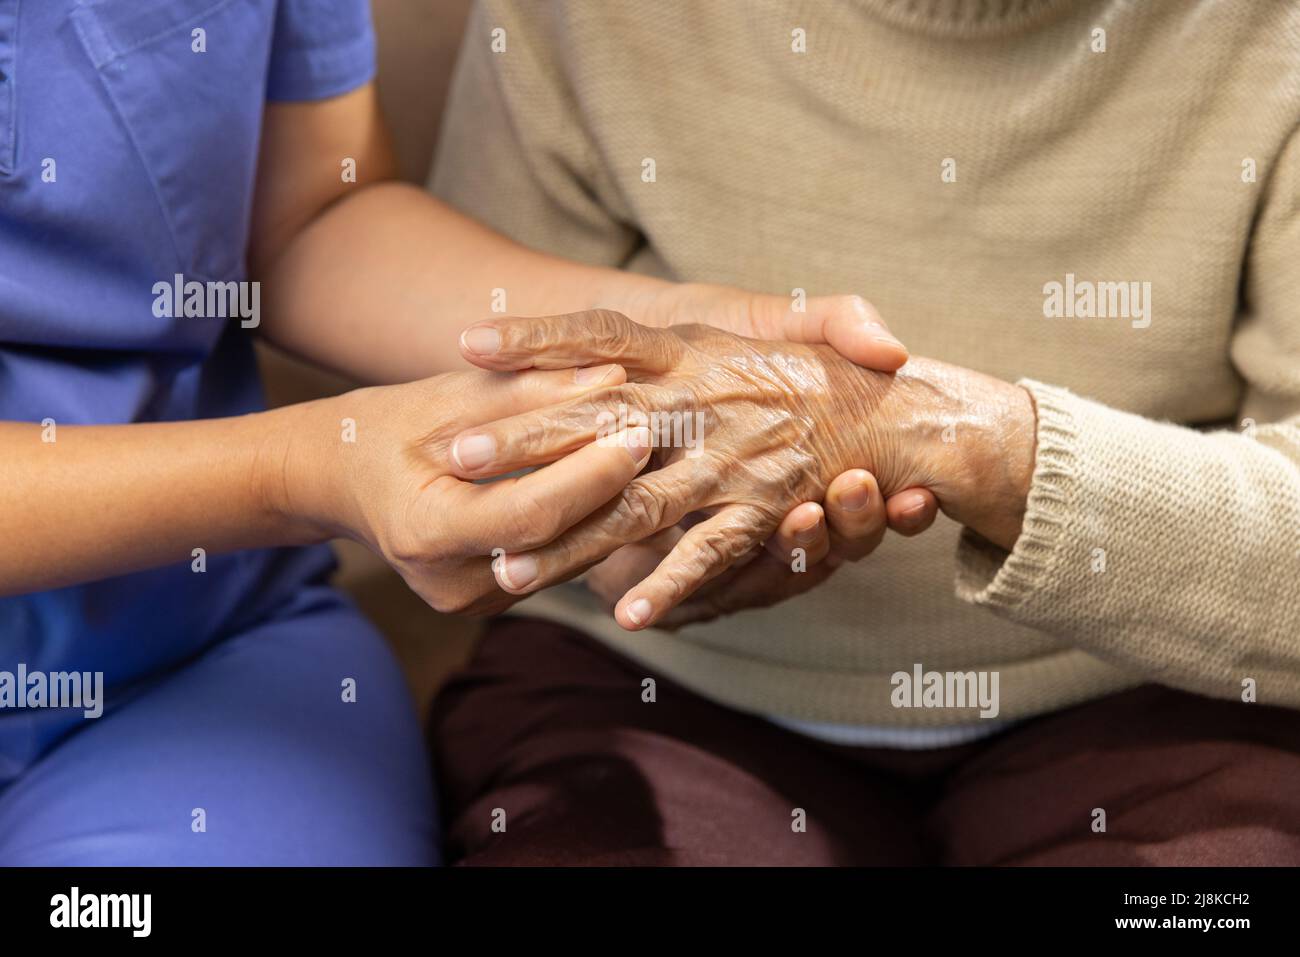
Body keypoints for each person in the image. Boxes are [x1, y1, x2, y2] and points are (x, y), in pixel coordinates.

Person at [0, 0, 930, 864]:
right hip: (231, 527)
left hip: (191, 639)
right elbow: (304, 467)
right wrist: (298, 474)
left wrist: (672, 324)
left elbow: (308, 217)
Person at [427, 0, 1300, 864]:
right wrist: (591, 536)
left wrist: (968, 440)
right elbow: (462, 403)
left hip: (1162, 697)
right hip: (652, 689)